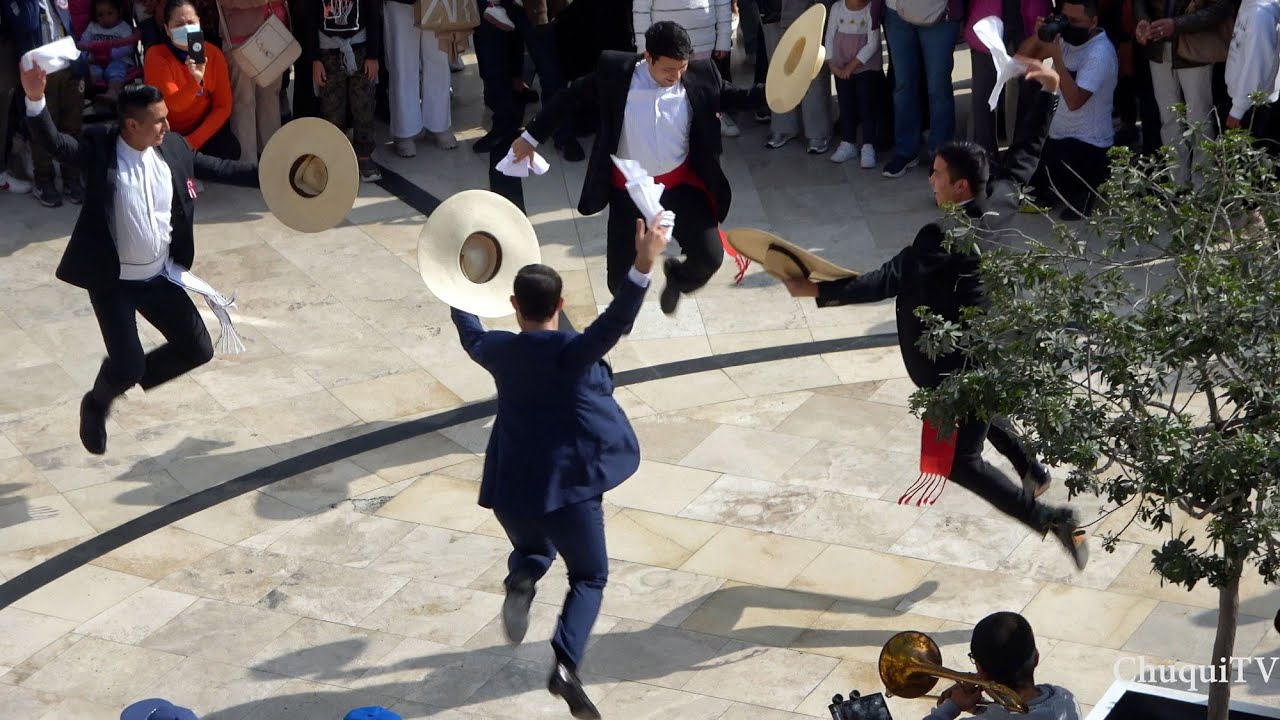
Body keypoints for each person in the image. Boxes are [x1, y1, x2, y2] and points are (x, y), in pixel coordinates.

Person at [783, 58, 1090, 571]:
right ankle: (1031, 468)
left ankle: (1051, 518)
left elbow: (886, 278)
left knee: (962, 463)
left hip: (958, 369)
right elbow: (1025, 157)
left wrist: (816, 289)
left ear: (961, 187)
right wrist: (1049, 93)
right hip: (987, 352)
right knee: (984, 414)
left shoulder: (940, 238)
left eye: (938, 174)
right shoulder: (1000, 204)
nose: (931, 179)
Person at [450, 213, 670, 720]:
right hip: (568, 489)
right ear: (561, 304)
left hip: (511, 488)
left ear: (513, 305)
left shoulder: (498, 350)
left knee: (533, 547)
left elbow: (469, 330)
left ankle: (522, 578)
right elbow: (616, 320)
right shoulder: (572, 352)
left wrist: (455, 279)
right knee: (589, 576)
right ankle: (566, 666)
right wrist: (643, 263)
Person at [20, 66, 258, 456]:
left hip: (159, 277)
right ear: (132, 124)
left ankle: (126, 373)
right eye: (159, 120)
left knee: (197, 349)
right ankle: (97, 402)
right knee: (128, 365)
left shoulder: (173, 149)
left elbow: (222, 169)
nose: (168, 126)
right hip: (114, 283)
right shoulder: (101, 151)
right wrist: (35, 99)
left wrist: (281, 175)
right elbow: (56, 144)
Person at [511, 21, 763, 315]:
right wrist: (530, 137)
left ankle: (677, 279)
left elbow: (737, 97)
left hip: (679, 186)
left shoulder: (702, 76)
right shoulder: (616, 74)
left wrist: (776, 91)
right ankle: (622, 319)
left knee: (709, 257)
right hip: (628, 192)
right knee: (619, 283)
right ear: (648, 57)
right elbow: (570, 96)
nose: (676, 76)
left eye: (681, 68)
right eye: (668, 69)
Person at [1017, 0, 1118, 219]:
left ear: (1093, 22)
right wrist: (1039, 36)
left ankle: (1095, 181)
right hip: (1058, 138)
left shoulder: (1100, 53)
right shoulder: (1062, 38)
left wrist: (1057, 58)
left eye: (1075, 21)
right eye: (1065, 20)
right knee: (1029, 198)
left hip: (1089, 144)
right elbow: (1020, 61)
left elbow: (1074, 102)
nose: (1068, 26)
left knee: (1072, 210)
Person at [1133, 0, 1234, 185]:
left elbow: (1220, 7)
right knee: (1168, 117)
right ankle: (1177, 182)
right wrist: (1143, 20)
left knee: (1199, 118)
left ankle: (1203, 185)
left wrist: (1177, 24)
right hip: (1158, 46)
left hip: (1195, 48)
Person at [924, 612, 1082, 719]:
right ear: (1036, 657)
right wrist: (980, 709)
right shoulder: (1064, 698)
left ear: (980, 670)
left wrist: (952, 706)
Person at [7, 0, 85, 206]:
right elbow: (27, 23)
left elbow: (69, 23)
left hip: (67, 66)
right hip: (39, 73)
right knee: (43, 127)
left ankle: (72, 177)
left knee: (72, 125)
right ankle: (43, 179)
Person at [144, 0, 240, 159]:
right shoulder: (156, 56)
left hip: (200, 128)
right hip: (167, 132)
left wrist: (193, 141)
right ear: (167, 29)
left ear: (199, 24)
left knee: (230, 147)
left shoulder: (213, 54)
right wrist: (195, 81)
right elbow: (174, 105)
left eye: (191, 23)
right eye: (179, 25)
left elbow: (223, 106)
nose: (186, 28)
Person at [880, 0, 964, 177]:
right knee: (904, 86)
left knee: (938, 87)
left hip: (940, 13)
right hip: (896, 11)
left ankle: (941, 155)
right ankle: (905, 151)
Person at [632, 0, 739, 137]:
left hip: (703, 41)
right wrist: (644, 47)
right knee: (668, 87)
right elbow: (641, 10)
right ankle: (668, 123)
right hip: (666, 47)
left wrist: (723, 38)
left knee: (703, 86)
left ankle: (713, 118)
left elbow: (722, 4)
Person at [301, 0, 382, 181]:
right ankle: (336, 155)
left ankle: (364, 155)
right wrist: (315, 59)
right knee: (332, 109)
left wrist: (373, 55)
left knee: (364, 105)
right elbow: (310, 20)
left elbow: (373, 16)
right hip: (328, 53)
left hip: (360, 50)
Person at [215, 0, 289, 163]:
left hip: (274, 33)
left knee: (270, 99)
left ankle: (272, 159)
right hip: (241, 41)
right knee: (244, 101)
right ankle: (246, 164)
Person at [382, 0, 456, 157]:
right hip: (400, 3)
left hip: (436, 3)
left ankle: (439, 124)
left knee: (439, 60)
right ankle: (404, 131)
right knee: (402, 63)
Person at [762, 0, 832, 152]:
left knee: (812, 67)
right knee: (779, 66)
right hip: (775, 10)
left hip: (813, 5)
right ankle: (783, 126)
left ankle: (818, 132)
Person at [825, 0, 883, 166]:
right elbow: (829, 36)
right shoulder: (837, 8)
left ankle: (868, 145)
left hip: (865, 68)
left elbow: (873, 43)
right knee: (846, 105)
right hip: (841, 68)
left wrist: (851, 66)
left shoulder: (871, 9)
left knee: (867, 106)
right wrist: (831, 63)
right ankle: (848, 142)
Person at [1224, 0, 1280, 148]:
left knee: (1247, 157)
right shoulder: (1250, 5)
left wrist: (1238, 110)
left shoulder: (1260, 14)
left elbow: (1256, 64)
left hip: (1251, 104)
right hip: (1245, 99)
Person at [78, 0, 140, 103]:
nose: (105, 19)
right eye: (100, 15)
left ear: (119, 12)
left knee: (115, 71)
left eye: (110, 13)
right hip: (95, 61)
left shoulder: (124, 27)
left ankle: (113, 92)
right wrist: (88, 57)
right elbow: (82, 44)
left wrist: (111, 54)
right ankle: (87, 91)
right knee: (91, 71)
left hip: (118, 60)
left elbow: (129, 47)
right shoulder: (92, 26)